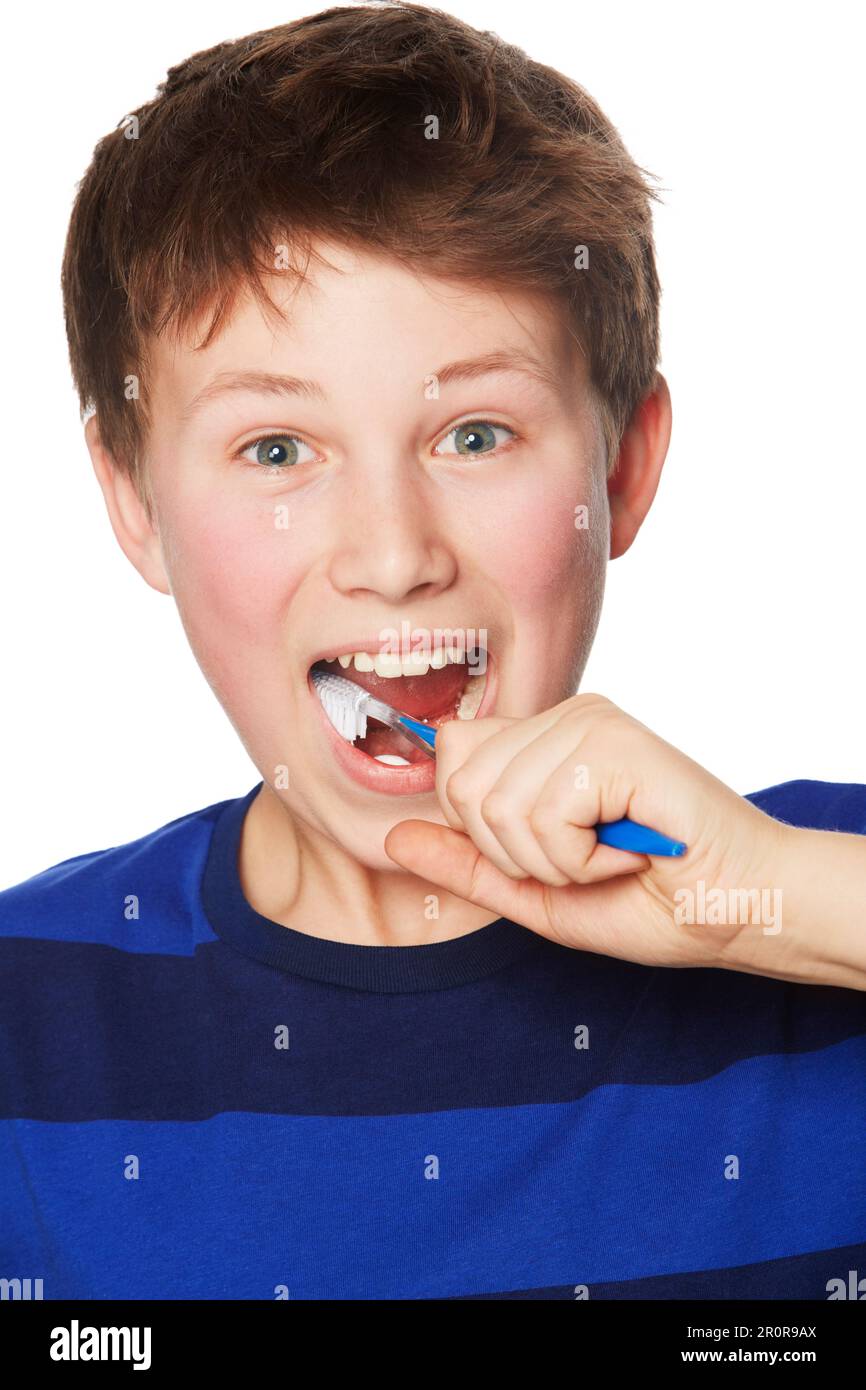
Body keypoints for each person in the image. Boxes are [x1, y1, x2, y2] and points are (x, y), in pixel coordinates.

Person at [1, 2, 864, 1300]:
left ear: (622, 468)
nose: (391, 550)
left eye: (473, 434)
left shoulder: (816, 907)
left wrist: (783, 900)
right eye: (277, 450)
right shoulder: (29, 1021)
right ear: (134, 503)